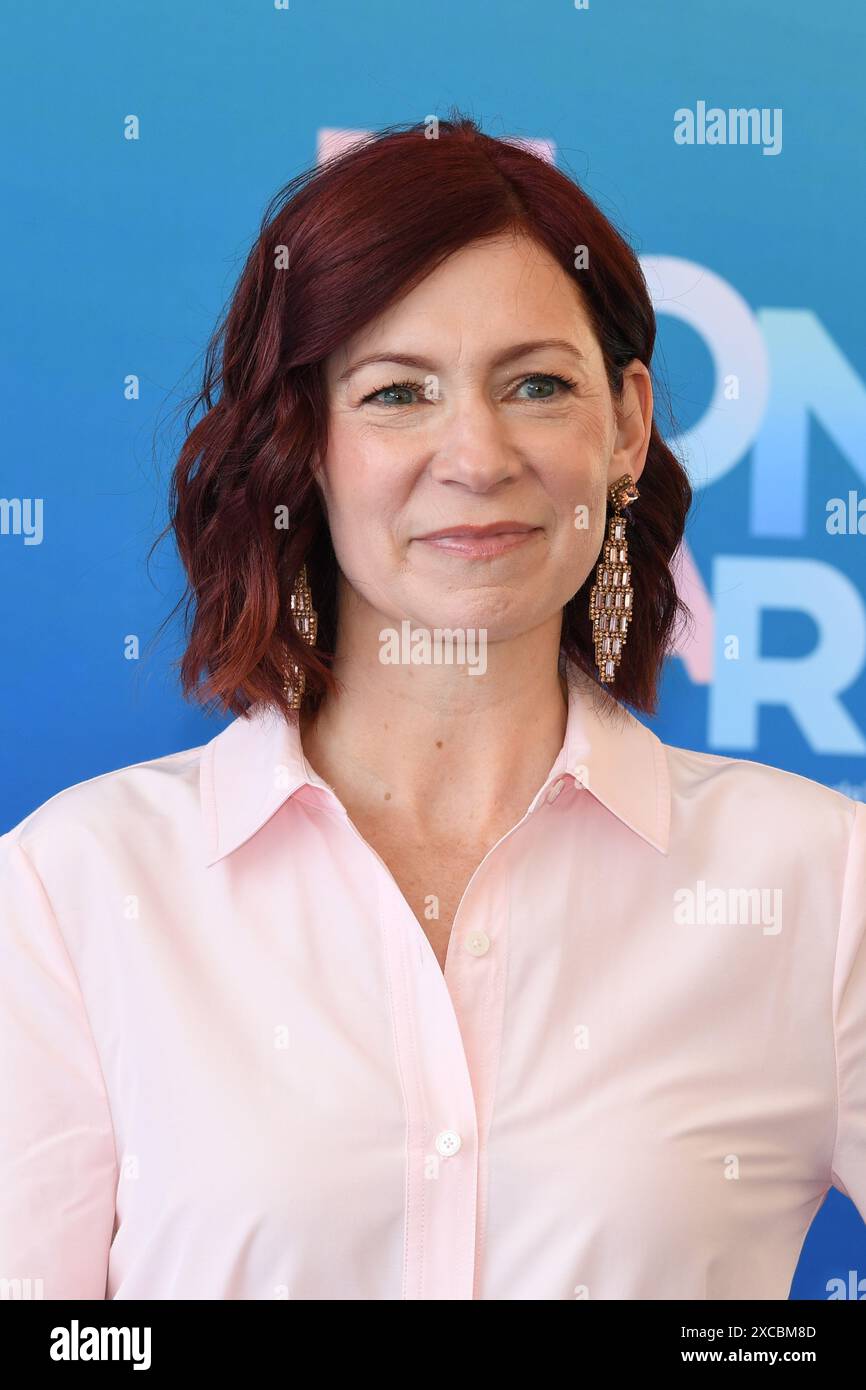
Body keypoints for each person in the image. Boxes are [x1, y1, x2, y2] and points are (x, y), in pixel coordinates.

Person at [1, 114, 863, 1301]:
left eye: (535, 385)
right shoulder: (73, 890)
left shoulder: (820, 884)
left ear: (625, 424)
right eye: (397, 392)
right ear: (301, 443)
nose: (475, 452)